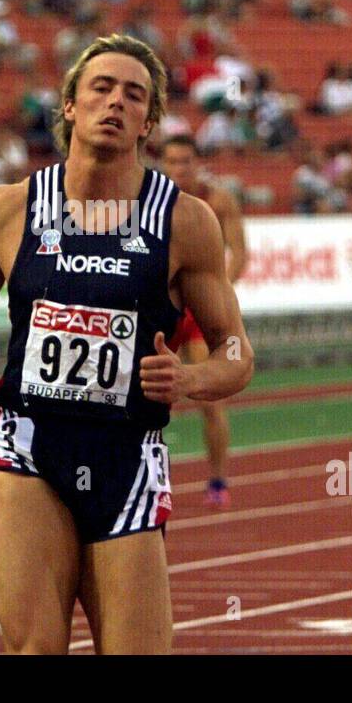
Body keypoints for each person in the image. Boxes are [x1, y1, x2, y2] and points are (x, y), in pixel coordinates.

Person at [0, 34, 254, 654]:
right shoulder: (11, 209)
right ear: (69, 105)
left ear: (149, 121)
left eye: (133, 95)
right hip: (29, 443)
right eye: (100, 88)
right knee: (36, 648)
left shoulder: (185, 222)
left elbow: (237, 353)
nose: (114, 103)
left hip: (126, 452)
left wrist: (192, 381)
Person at [158, 134, 247, 506]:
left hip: (199, 309)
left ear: (197, 163)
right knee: (149, 394)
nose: (179, 169)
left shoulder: (218, 201)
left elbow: (239, 253)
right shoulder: (151, 200)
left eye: (186, 161)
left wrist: (216, 295)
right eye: (173, 161)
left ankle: (217, 480)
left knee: (209, 398)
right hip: (160, 305)